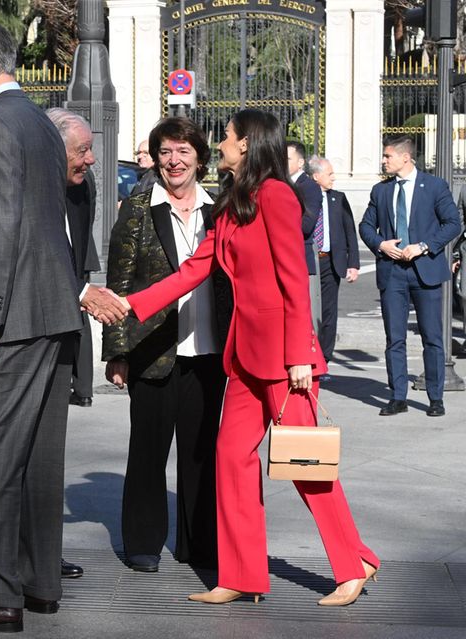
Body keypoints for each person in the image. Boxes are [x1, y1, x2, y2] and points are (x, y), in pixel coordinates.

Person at [120, 109, 379, 607]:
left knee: (307, 466)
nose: (220, 145)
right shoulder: (233, 203)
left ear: (248, 145)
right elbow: (194, 269)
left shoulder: (277, 196)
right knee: (230, 459)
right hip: (243, 357)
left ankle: (353, 564)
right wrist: (131, 305)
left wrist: (302, 352)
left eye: (228, 138)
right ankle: (241, 575)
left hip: (286, 361)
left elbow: (293, 277)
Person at [0, 24, 125, 633]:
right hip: (53, 312)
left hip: (12, 318)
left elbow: (6, 222)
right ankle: (39, 584)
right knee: (39, 455)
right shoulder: (40, 121)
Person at [103, 117, 230, 574]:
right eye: (165, 152)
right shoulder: (136, 209)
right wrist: (117, 353)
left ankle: (199, 543)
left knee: (202, 452)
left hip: (210, 351)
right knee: (148, 452)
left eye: (183, 151)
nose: (174, 161)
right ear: (156, 158)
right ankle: (143, 541)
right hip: (153, 349)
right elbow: (118, 284)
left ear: (199, 157)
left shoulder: (221, 208)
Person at [358, 135, 461, 417]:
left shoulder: (435, 187)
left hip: (425, 271)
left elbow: (453, 224)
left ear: (405, 157)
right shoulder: (381, 191)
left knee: (433, 337)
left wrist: (424, 246)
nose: (383, 160)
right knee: (395, 338)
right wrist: (381, 244)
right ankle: (398, 396)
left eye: (388, 156)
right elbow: (365, 226)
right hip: (393, 274)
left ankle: (435, 398)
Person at [46, 108, 100, 407]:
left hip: (73, 278)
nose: (90, 159)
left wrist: (78, 287)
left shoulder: (83, 184)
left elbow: (81, 230)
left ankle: (82, 386)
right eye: (82, 151)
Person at [308, 156, 360, 367]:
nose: (333, 178)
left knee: (329, 312)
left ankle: (324, 358)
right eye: (329, 174)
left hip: (331, 262)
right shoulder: (304, 198)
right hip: (310, 262)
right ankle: (308, 354)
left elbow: (350, 231)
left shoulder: (338, 198)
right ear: (316, 176)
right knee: (310, 310)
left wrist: (353, 263)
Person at [287, 140, 322, 333]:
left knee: (302, 322)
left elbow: (307, 225)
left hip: (300, 258)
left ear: (300, 163)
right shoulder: (279, 184)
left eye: (288, 159)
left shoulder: (308, 187)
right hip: (284, 258)